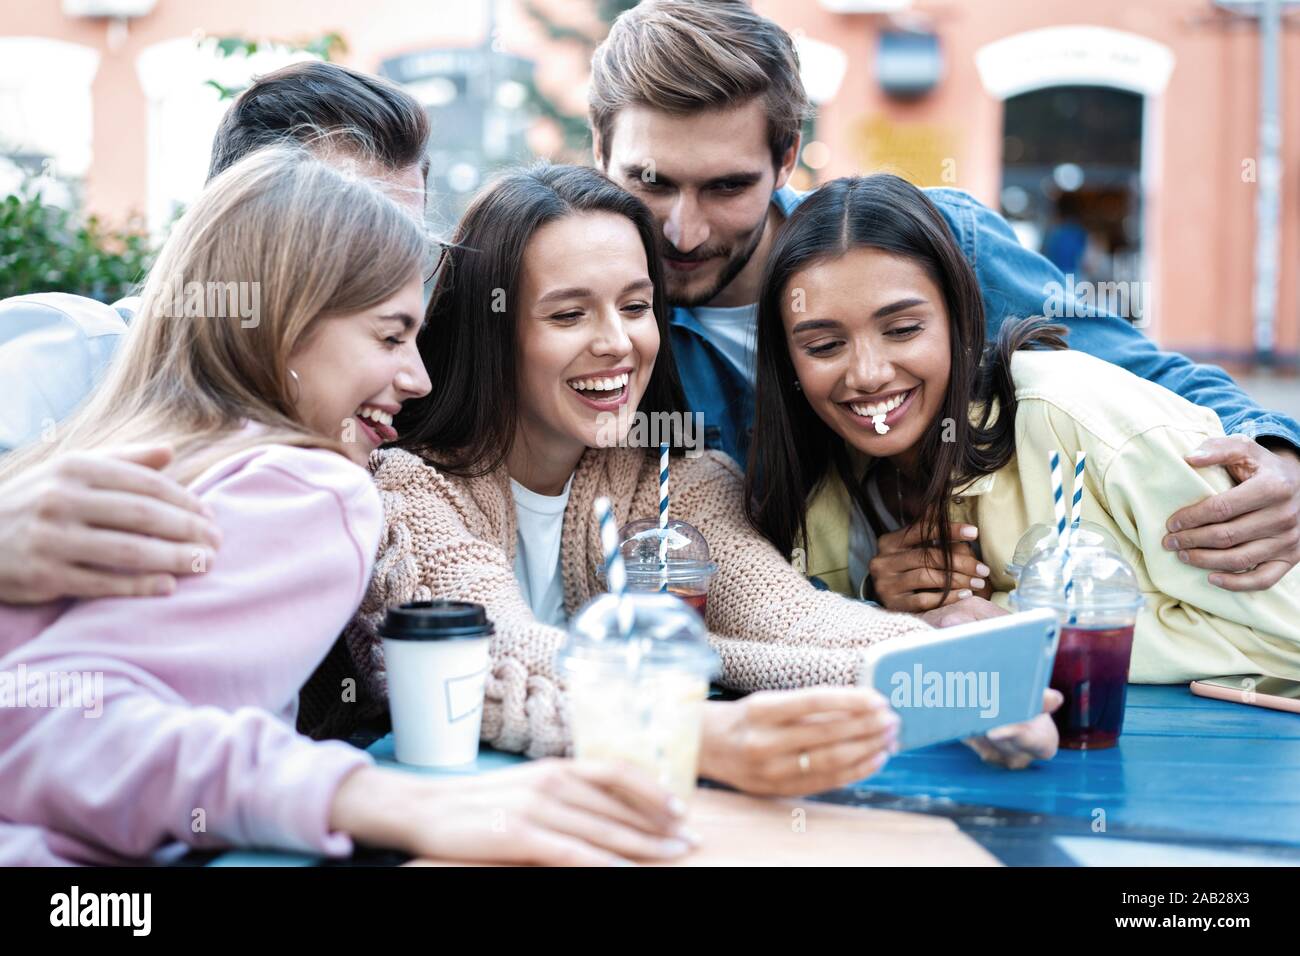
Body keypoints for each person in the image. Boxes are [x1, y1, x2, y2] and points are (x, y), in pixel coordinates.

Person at [0, 146, 695, 868]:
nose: (418, 377)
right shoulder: (310, 488)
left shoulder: (101, 459)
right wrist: (369, 799)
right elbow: (53, 724)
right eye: (391, 335)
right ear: (285, 323)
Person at [330, 162, 1060, 790]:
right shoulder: (406, 489)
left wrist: (957, 674)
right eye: (568, 315)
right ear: (494, 329)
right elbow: (503, 664)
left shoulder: (679, 479)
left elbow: (791, 618)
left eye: (637, 306)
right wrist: (708, 705)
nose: (617, 344)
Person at [588, 0, 1300, 595]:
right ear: (600, 153)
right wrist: (874, 592)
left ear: (784, 158)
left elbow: (1145, 376)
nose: (684, 229)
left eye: (726, 187)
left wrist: (1280, 453)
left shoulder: (935, 245)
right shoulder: (602, 335)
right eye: (651, 182)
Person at [745, 175, 1300, 683]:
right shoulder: (816, 474)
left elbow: (1286, 634)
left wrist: (1024, 628)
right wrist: (886, 605)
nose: (866, 375)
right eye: (823, 346)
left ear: (961, 320)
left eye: (904, 329)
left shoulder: (1074, 415)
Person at [0, 60, 431, 603]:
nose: (382, 267)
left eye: (403, 240)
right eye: (340, 237)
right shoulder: (67, 352)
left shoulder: (366, 430)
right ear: (237, 222)